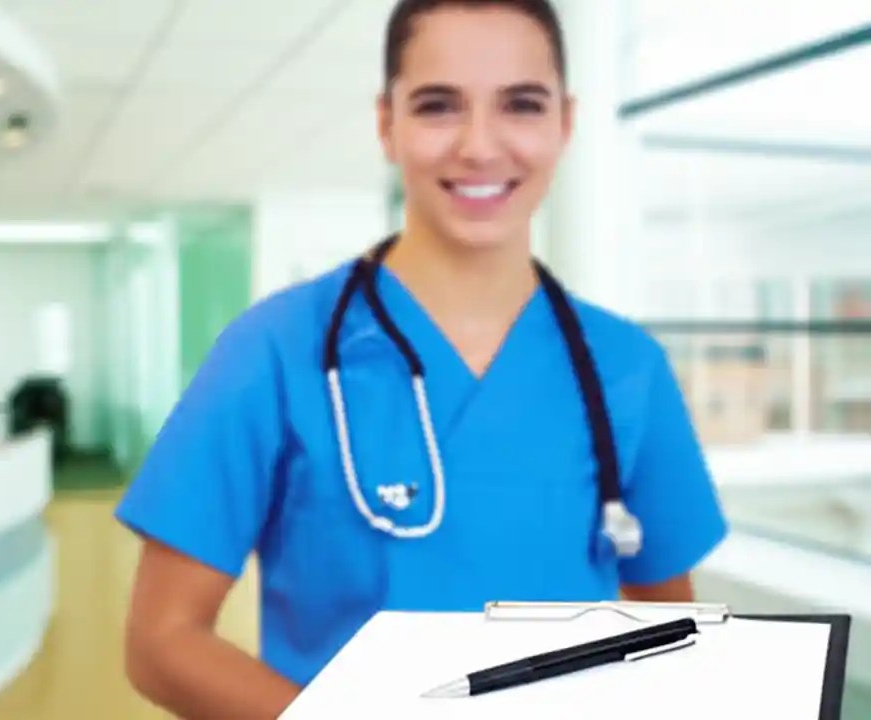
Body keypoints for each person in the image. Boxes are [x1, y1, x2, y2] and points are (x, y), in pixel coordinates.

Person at [115, 0, 729, 717]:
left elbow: (669, 633)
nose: (478, 146)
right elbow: (162, 641)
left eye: (520, 106)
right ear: (387, 123)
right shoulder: (273, 350)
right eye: (439, 107)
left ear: (564, 123)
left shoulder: (627, 367)